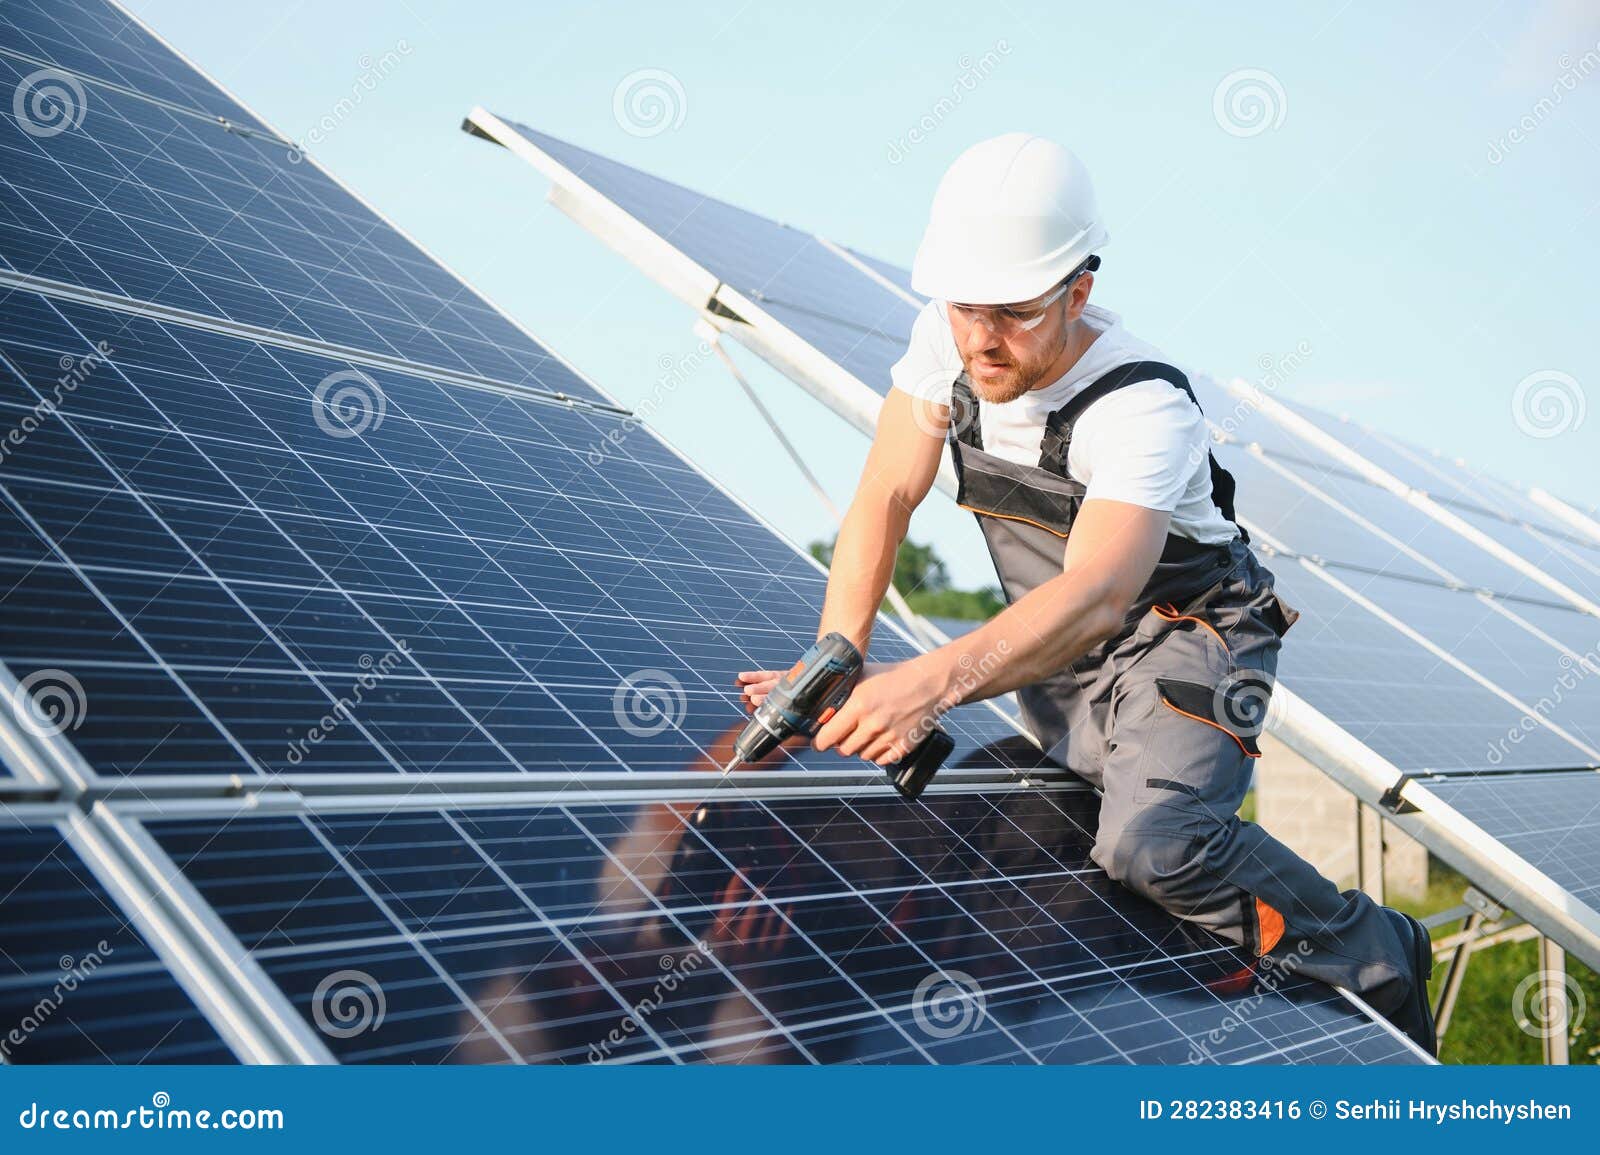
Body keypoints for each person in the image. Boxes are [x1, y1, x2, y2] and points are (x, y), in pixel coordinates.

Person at [736, 133, 1436, 1056]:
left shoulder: (1141, 405)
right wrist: (839, 652)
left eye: (1016, 312)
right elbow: (886, 493)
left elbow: (1103, 591)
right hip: (1062, 642)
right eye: (964, 307)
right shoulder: (944, 344)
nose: (983, 337)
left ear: (1078, 290)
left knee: (1155, 845)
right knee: (1051, 835)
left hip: (1189, 635)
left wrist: (927, 686)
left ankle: (1378, 946)